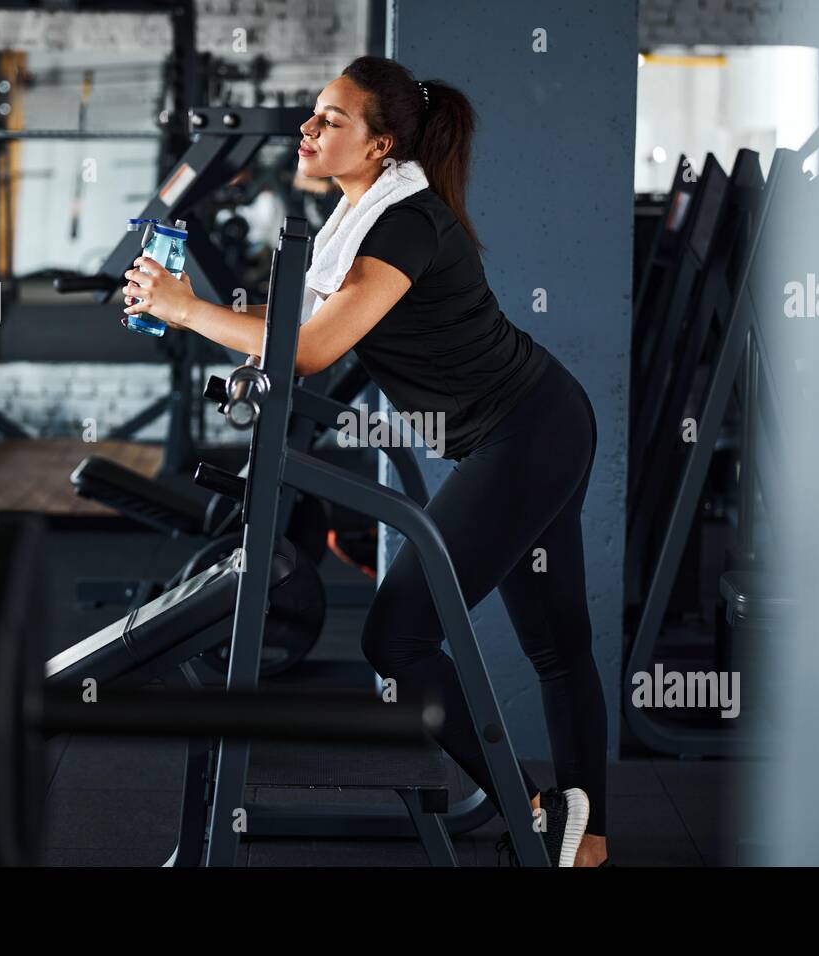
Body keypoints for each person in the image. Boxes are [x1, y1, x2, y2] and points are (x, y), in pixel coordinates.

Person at [121, 56, 607, 868]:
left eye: (332, 120)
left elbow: (309, 348)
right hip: (527, 428)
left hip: (530, 432)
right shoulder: (358, 223)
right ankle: (585, 846)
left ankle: (534, 813)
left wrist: (186, 309)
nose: (308, 129)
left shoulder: (404, 223)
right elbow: (311, 332)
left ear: (381, 145)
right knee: (556, 648)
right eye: (314, 114)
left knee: (401, 636)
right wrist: (236, 344)